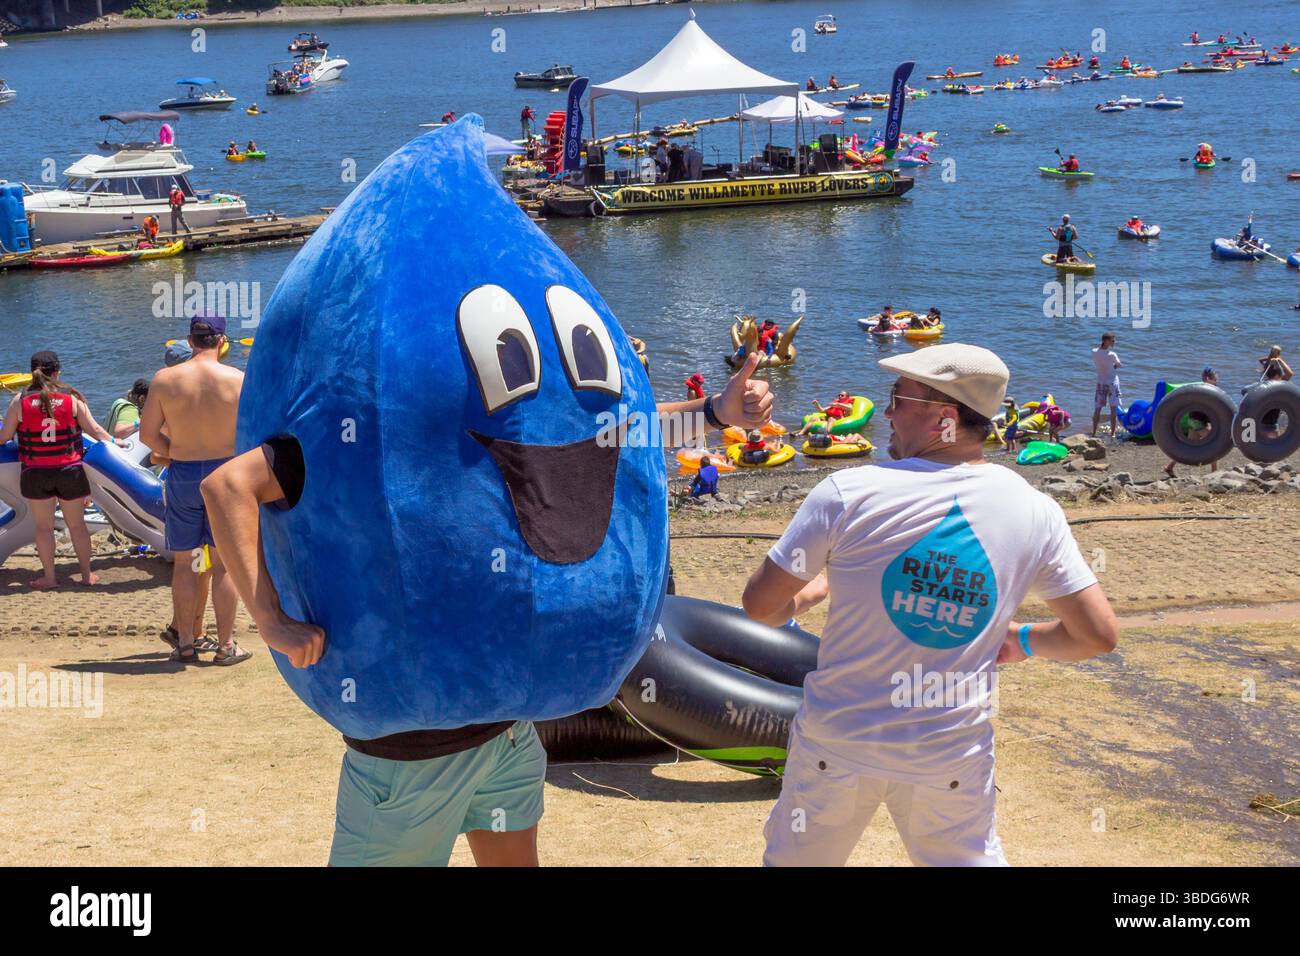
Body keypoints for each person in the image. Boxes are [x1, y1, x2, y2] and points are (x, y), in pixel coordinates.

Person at [199, 352, 774, 866]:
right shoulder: (364, 424)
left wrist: (715, 412)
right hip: (411, 749)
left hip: (504, 731)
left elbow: (614, 430)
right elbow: (227, 487)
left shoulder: (507, 418)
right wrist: (269, 617)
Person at [744, 343, 1118, 866]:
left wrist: (810, 592)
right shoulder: (1035, 511)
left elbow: (760, 607)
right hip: (949, 752)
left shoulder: (847, 493)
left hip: (840, 742)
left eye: (898, 398)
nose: (888, 412)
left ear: (943, 416)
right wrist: (1026, 640)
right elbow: (1097, 635)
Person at [139, 315, 249, 666]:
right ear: (222, 341)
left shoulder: (165, 380)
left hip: (183, 472)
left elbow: (147, 435)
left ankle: (186, 642)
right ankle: (226, 645)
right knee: (224, 565)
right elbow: (255, 430)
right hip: (226, 473)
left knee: (185, 562)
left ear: (190, 341)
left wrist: (175, 452)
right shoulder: (237, 379)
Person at [0, 351, 116, 588]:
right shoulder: (72, 399)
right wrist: (116, 444)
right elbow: (95, 431)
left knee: (43, 527)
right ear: (57, 372)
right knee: (77, 525)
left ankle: (49, 578)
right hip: (69, 471)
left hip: (35, 473)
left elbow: (4, 437)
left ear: (31, 372)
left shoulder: (18, 401)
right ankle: (87, 575)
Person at [1165, 368, 1221, 478]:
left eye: (1217, 379)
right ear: (1207, 378)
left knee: (1187, 447)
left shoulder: (1211, 389)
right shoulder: (1203, 390)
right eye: (1215, 379)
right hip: (1197, 421)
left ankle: (1169, 467)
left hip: (1195, 421)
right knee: (1215, 442)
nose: (1217, 380)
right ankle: (1214, 472)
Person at [1090, 332, 1122, 440]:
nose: (1114, 342)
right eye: (1112, 340)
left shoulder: (1094, 352)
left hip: (1101, 382)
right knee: (1113, 408)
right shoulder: (1112, 354)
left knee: (1098, 408)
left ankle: (1094, 433)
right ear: (1106, 341)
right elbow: (1118, 364)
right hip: (1112, 382)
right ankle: (1112, 433)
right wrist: (1113, 366)